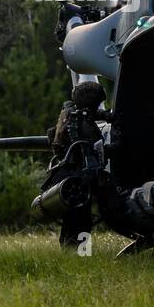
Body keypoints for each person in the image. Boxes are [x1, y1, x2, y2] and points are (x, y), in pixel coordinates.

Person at [48, 80, 108, 248]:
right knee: (82, 220)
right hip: (79, 179)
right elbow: (96, 146)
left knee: (71, 220)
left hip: (66, 177)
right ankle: (81, 254)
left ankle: (69, 253)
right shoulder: (83, 124)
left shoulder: (69, 117)